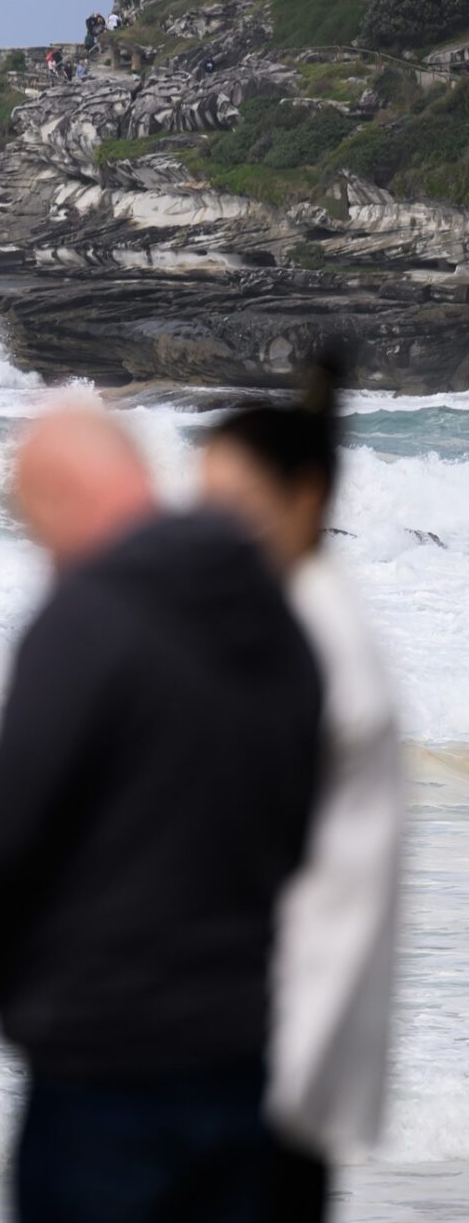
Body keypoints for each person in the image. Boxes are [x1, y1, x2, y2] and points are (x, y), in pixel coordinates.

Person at [0, 407, 323, 1223]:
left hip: (103, 1064)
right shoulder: (276, 616)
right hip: (242, 1053)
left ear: (60, 494)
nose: (31, 542)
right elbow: (293, 832)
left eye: (21, 513)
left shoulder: (88, 617)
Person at [200, 367, 403, 1223]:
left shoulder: (310, 640)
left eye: (233, 501)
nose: (211, 528)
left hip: (277, 1055)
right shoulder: (305, 613)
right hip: (289, 1049)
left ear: (306, 495)